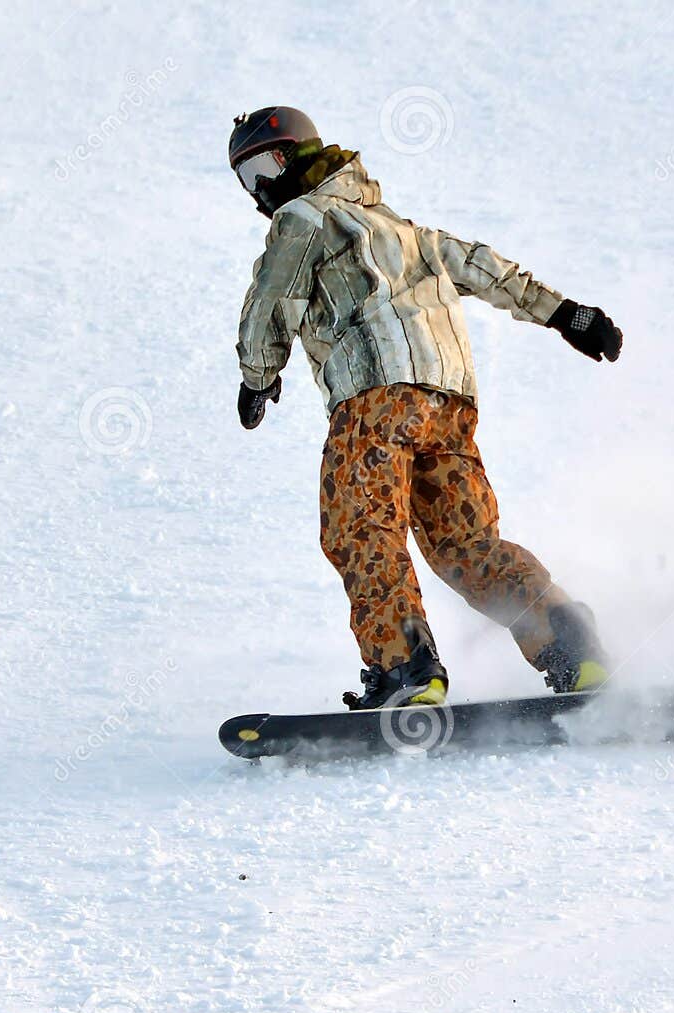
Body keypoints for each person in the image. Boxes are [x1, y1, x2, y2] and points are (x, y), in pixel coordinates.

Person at [229, 106, 623, 710]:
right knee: (466, 545)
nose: (257, 192)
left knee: (361, 529)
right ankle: (573, 646)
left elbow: (272, 301)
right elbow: (484, 267)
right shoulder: (406, 231)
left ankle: (406, 668)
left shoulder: (300, 218)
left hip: (374, 399)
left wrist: (258, 375)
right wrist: (566, 313)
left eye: (257, 171)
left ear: (284, 159)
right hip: (448, 405)